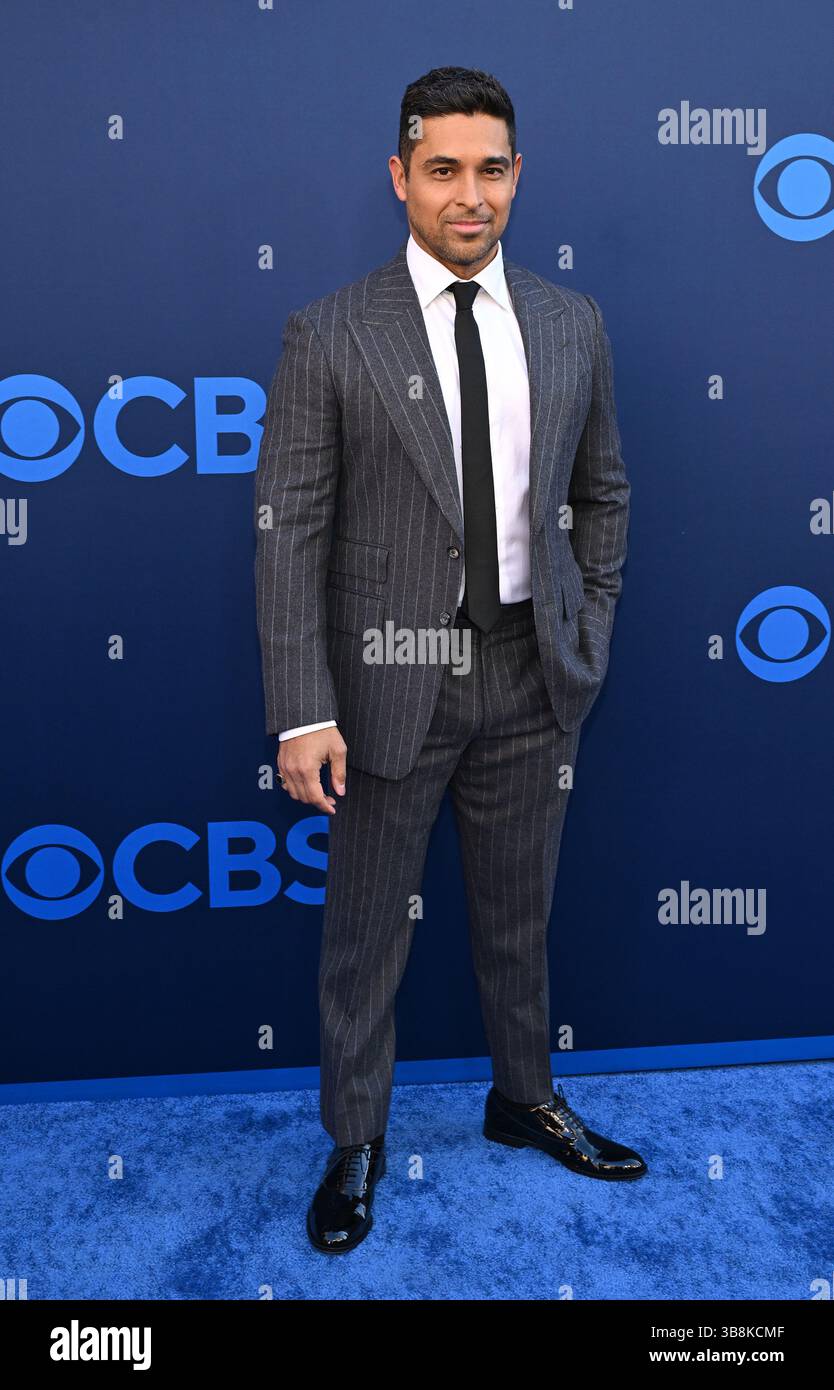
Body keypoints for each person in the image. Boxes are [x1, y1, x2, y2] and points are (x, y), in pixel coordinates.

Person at [254, 65, 647, 1255]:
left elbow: (605, 491)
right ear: (400, 178)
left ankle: (522, 1096)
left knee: (518, 916)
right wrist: (301, 710)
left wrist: (589, 627)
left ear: (516, 177)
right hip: (385, 686)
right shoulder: (329, 331)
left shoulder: (573, 322)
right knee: (368, 927)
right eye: (442, 170)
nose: (467, 195)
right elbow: (289, 531)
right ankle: (357, 1138)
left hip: (534, 673)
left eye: (490, 169)